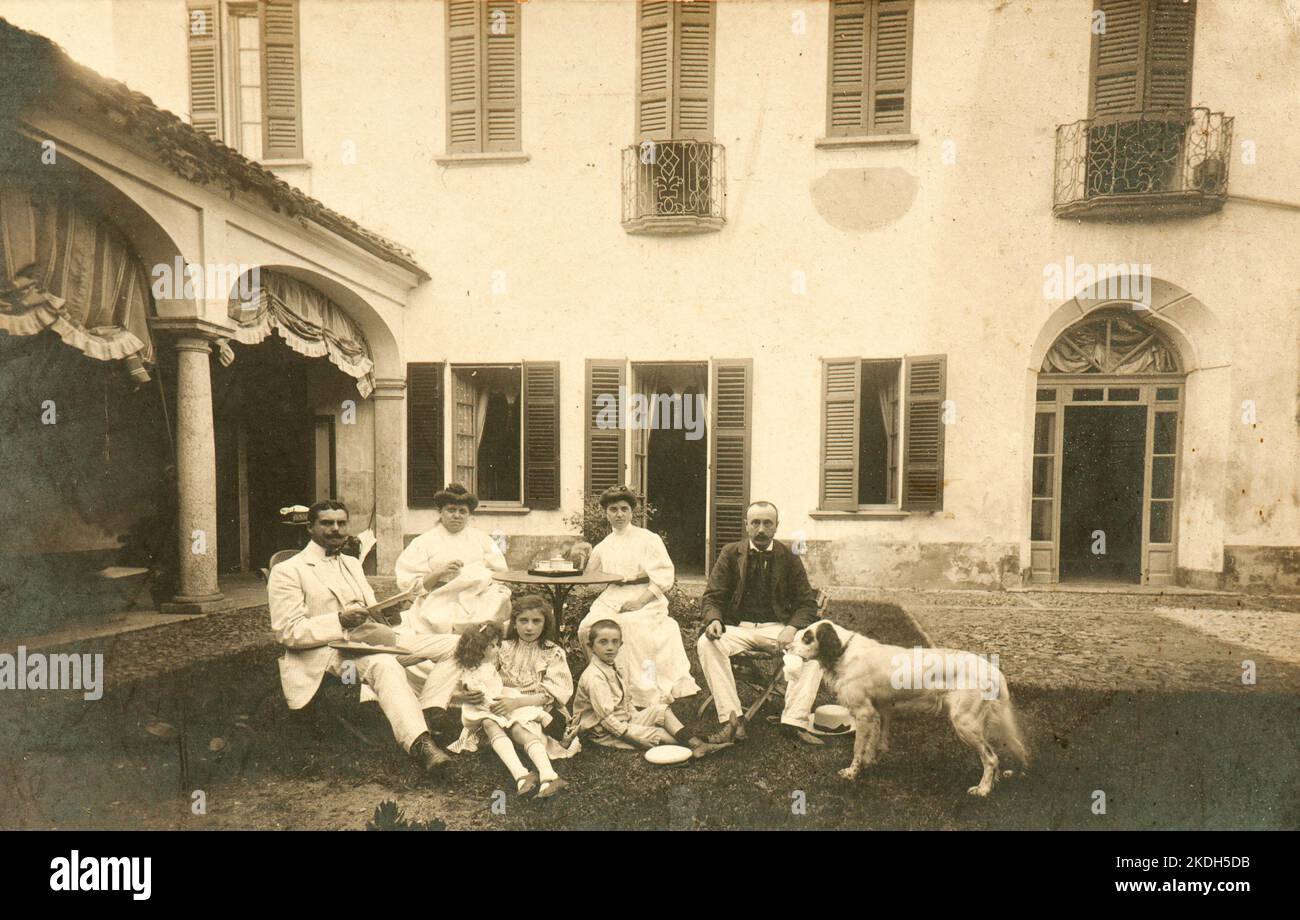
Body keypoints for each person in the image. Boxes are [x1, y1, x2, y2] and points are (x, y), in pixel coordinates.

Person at [267, 500, 448, 772]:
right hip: (327, 651)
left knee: (457, 644)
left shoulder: (351, 563)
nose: (336, 529)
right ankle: (420, 744)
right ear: (310, 527)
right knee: (383, 664)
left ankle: (429, 711)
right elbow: (288, 633)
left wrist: (392, 609)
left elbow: (371, 611)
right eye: (327, 523)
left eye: (341, 523)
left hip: (371, 637)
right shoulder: (289, 571)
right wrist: (339, 620)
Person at [695, 500, 825, 746]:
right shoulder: (731, 552)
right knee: (707, 643)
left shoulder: (788, 557)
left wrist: (791, 628)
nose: (761, 529)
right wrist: (714, 619)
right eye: (755, 523)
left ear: (777, 527)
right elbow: (712, 597)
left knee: (815, 651)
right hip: (737, 628)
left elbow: (807, 603)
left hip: (777, 629)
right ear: (746, 525)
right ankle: (733, 720)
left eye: (768, 523)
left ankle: (794, 721)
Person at [392, 483, 513, 730]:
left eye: (462, 511)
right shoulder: (423, 542)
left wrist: (472, 576)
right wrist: (438, 573)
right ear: (440, 512)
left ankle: (479, 689)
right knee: (432, 636)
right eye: (451, 510)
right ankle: (446, 697)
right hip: (438, 600)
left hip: (476, 598)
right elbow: (408, 584)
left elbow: (499, 573)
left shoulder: (482, 540)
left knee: (488, 621)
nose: (457, 516)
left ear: (470, 514)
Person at [575, 485, 700, 707]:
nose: (619, 514)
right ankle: (603, 682)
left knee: (627, 626)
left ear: (632, 512)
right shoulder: (603, 546)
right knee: (587, 627)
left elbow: (663, 576)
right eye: (613, 509)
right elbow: (591, 579)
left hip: (646, 597)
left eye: (624, 509)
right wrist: (579, 559)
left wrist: (639, 602)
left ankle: (637, 691)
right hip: (613, 595)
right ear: (606, 513)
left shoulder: (648, 539)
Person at [446, 622, 569, 798]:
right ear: (479, 649)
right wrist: (505, 715)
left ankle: (548, 776)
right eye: (492, 646)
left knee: (519, 727)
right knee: (493, 724)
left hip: (500, 705)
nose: (497, 649)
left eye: (497, 645)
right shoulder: (471, 675)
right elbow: (482, 700)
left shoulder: (487, 665)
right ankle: (521, 775)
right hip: (486, 710)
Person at [570, 620, 726, 757]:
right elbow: (606, 720)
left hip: (623, 720)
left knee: (661, 710)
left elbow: (626, 701)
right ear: (591, 646)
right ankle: (701, 744)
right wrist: (634, 735)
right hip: (603, 732)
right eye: (603, 642)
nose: (610, 647)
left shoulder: (615, 666)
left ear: (621, 645)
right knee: (659, 733)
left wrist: (638, 720)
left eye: (614, 642)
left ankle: (700, 743)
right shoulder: (594, 677)